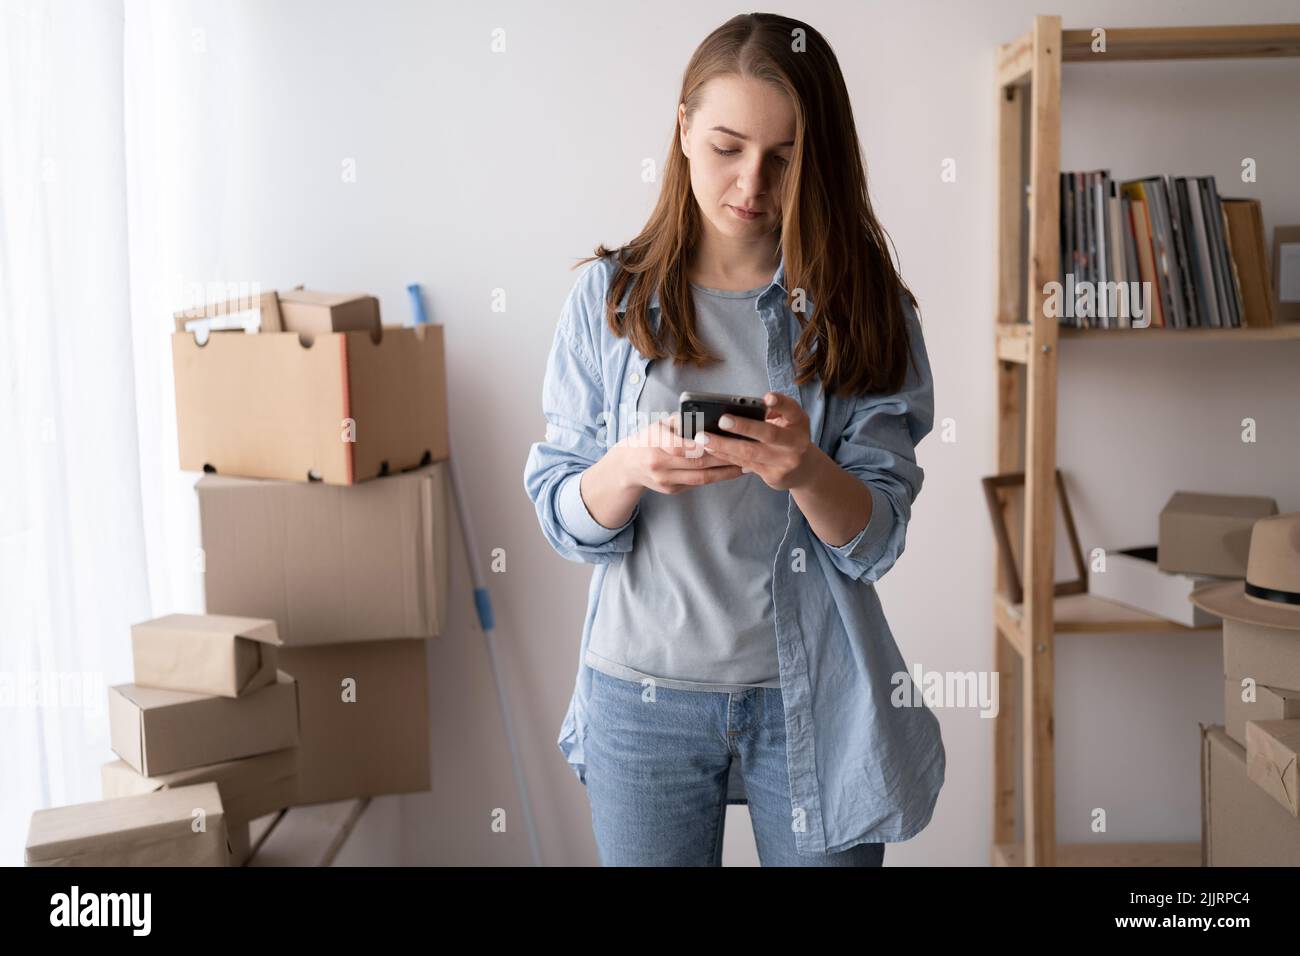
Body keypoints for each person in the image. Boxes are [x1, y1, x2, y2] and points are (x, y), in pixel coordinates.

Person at [523, 12, 944, 866]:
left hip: (816, 699)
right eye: (726, 146)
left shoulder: (865, 310)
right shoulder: (607, 301)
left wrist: (806, 468)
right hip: (639, 698)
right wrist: (630, 466)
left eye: (784, 157)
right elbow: (561, 510)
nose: (752, 181)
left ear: (818, 159)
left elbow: (877, 539)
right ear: (682, 131)